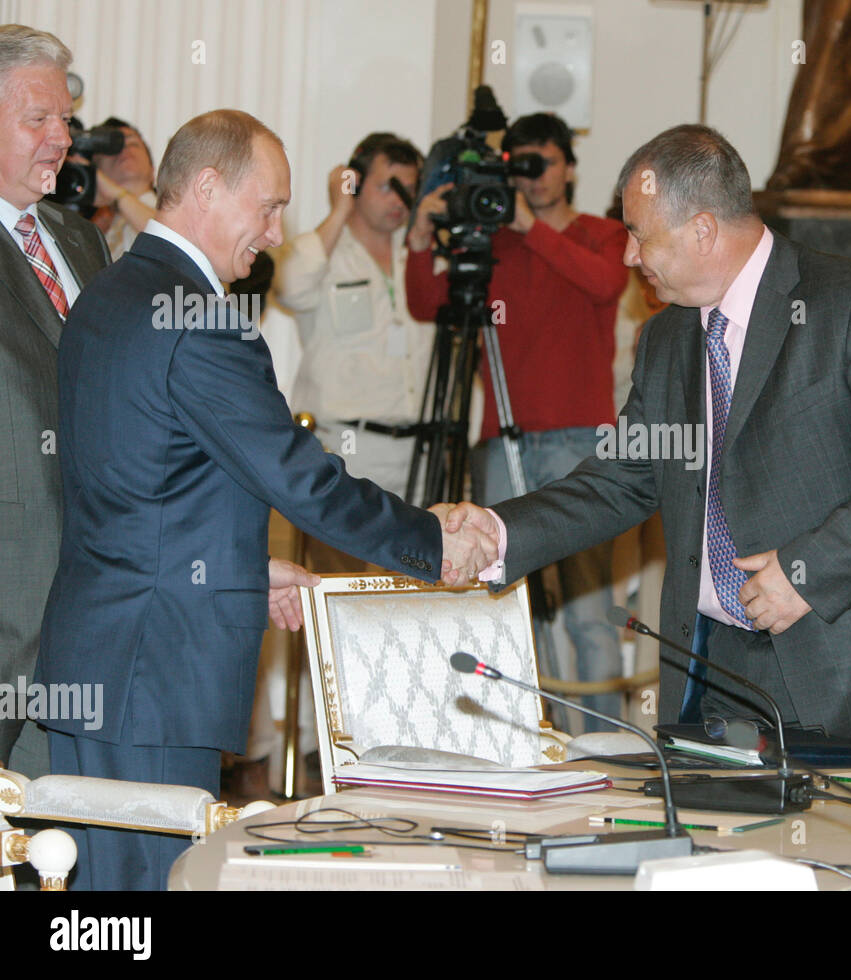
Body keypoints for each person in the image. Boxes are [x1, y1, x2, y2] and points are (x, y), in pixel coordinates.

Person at [36, 109, 496, 890]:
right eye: (269, 206)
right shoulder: (202, 319)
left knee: (100, 908)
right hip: (154, 676)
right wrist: (432, 538)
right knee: (142, 902)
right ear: (208, 188)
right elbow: (303, 480)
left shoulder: (109, 291)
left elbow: (138, 486)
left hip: (104, 656)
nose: (277, 233)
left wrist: (247, 569)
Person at [448, 124, 851, 741]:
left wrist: (808, 571)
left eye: (638, 233)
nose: (629, 255)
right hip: (719, 675)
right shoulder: (665, 338)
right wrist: (497, 533)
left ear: (703, 230)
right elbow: (621, 480)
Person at [406, 112, 628, 730]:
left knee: (587, 606)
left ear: (570, 168)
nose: (529, 179)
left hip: (581, 440)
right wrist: (423, 238)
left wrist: (531, 229)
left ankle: (611, 752)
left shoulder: (600, 234)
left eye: (542, 164)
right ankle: (532, 743)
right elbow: (429, 304)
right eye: (518, 166)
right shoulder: (493, 245)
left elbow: (607, 283)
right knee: (512, 600)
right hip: (500, 440)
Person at [0, 25, 111, 776]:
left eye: (65, 118)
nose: (60, 137)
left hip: (93, 605)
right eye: (36, 119)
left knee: (66, 836)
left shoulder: (80, 239)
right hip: (13, 605)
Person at [278, 132, 431, 504]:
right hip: (347, 447)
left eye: (408, 189)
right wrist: (340, 210)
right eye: (386, 187)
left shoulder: (422, 253)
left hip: (419, 451)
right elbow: (289, 287)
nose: (399, 200)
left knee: (422, 562)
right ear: (356, 185)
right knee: (343, 565)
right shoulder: (324, 251)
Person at [89, 116, 158, 260]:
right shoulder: (96, 233)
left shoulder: (179, 214)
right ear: (96, 168)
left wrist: (118, 196)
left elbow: (172, 245)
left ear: (153, 170)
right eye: (112, 147)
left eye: (132, 143)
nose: (123, 150)